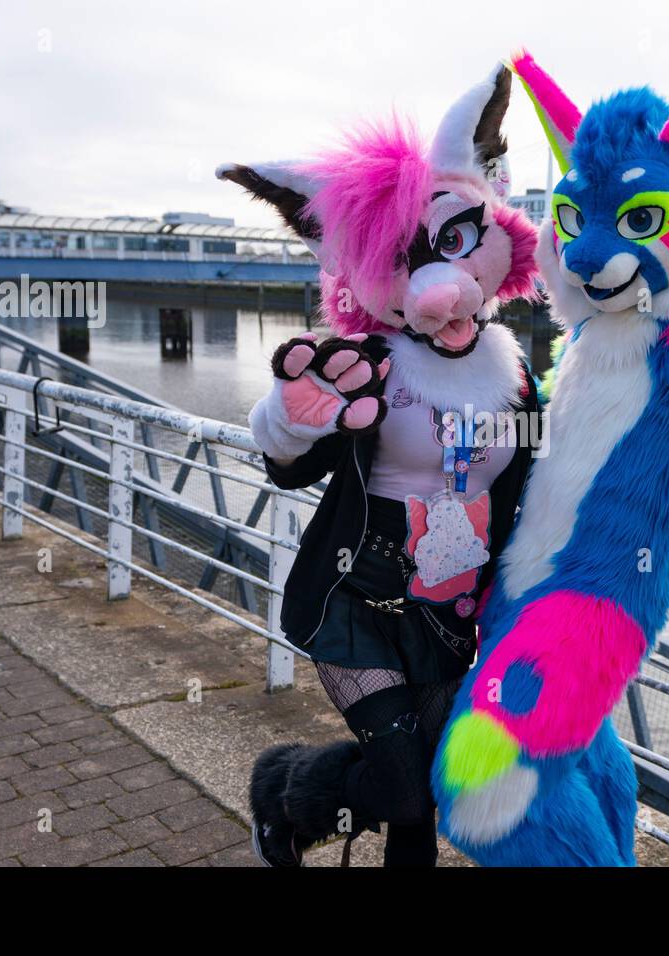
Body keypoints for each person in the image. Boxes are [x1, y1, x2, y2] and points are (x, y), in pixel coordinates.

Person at [217, 63, 540, 866]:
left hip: (448, 605)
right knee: (398, 780)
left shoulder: (518, 370)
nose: (437, 287)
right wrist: (291, 418)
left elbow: (533, 481)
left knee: (420, 798)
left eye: (456, 243)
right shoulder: (367, 362)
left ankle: (304, 812)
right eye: (401, 260)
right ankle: (283, 790)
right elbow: (288, 459)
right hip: (357, 595)